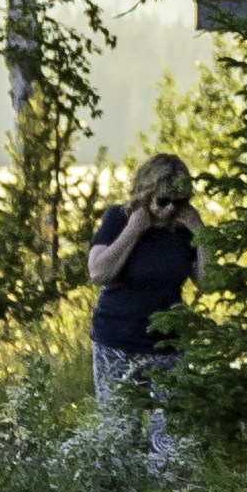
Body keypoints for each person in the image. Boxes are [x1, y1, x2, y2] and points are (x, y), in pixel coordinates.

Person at [84, 154, 199, 467]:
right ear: (146, 194)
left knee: (169, 445)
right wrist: (136, 228)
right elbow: (98, 273)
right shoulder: (117, 219)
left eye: (180, 201)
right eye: (163, 200)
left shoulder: (185, 229)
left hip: (168, 349)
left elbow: (210, 282)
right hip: (116, 344)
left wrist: (201, 233)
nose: (171, 210)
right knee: (122, 437)